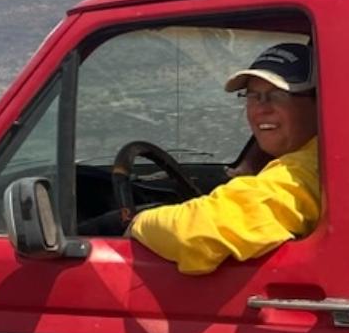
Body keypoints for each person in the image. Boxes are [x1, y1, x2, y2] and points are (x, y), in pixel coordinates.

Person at [128, 42, 321, 276]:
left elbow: (197, 235)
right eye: (253, 96)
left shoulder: (306, 171)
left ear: (320, 102)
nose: (261, 109)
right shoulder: (312, 159)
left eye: (278, 95)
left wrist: (136, 223)